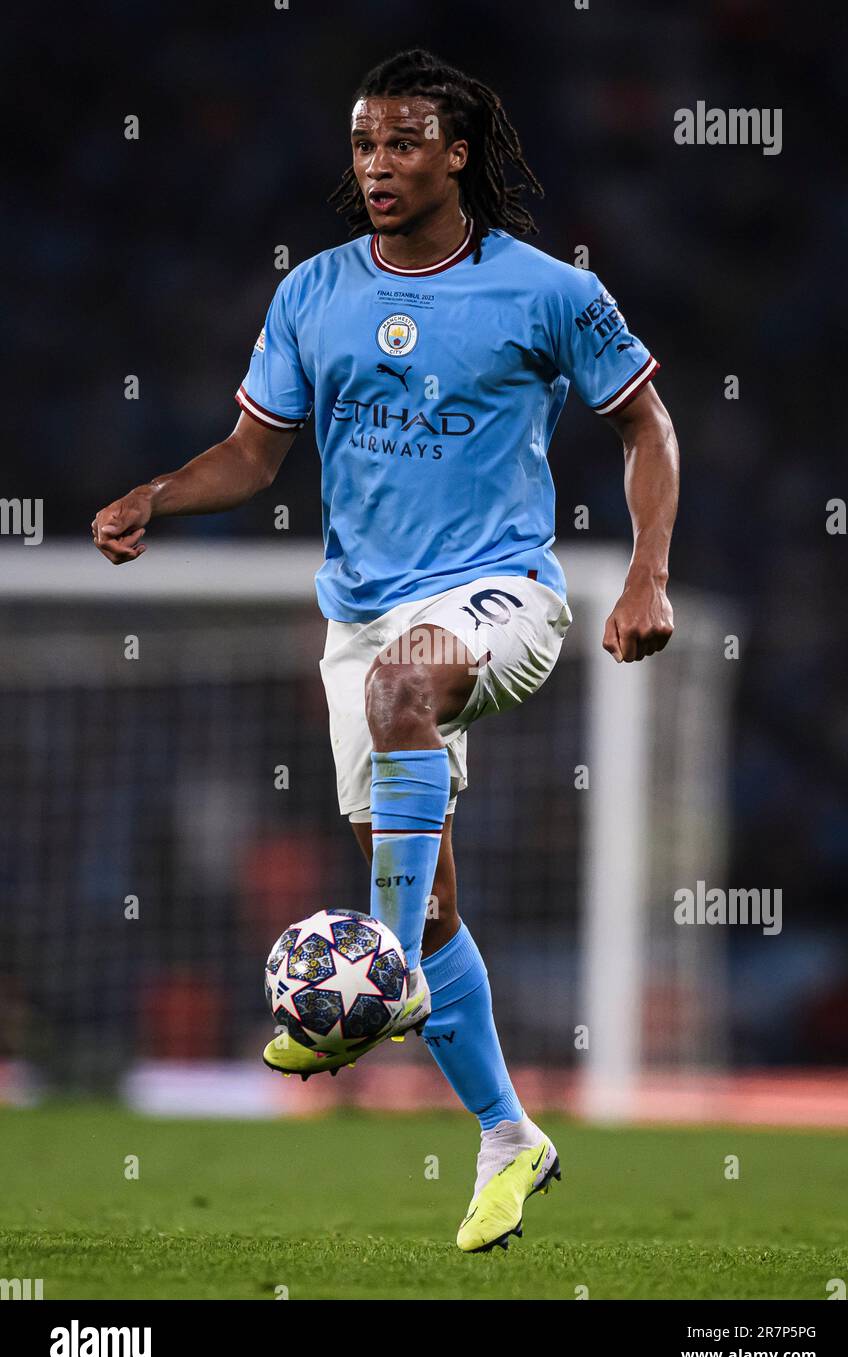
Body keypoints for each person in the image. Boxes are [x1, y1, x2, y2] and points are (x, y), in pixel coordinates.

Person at [92, 48, 679, 1253]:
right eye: (363, 144)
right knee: (433, 894)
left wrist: (645, 573)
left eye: (403, 141)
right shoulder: (311, 293)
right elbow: (253, 454)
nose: (377, 165)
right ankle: (510, 1134)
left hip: (501, 592)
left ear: (456, 153)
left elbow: (646, 425)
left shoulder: (546, 291)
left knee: (408, 689)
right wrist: (159, 492)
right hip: (355, 618)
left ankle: (385, 977)